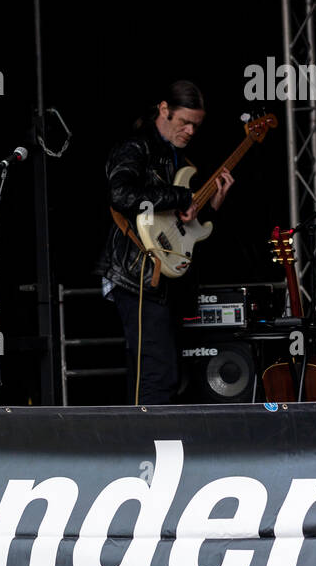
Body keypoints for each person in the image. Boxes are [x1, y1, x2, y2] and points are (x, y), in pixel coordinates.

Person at [99, 80, 233, 404]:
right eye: (183, 121)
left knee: (156, 371)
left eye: (195, 125)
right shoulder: (137, 147)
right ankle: (151, 449)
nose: (189, 130)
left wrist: (211, 206)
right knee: (158, 373)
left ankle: (141, 447)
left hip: (164, 275)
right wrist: (181, 195)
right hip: (136, 273)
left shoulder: (180, 160)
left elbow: (180, 226)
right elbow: (121, 195)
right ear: (164, 109)